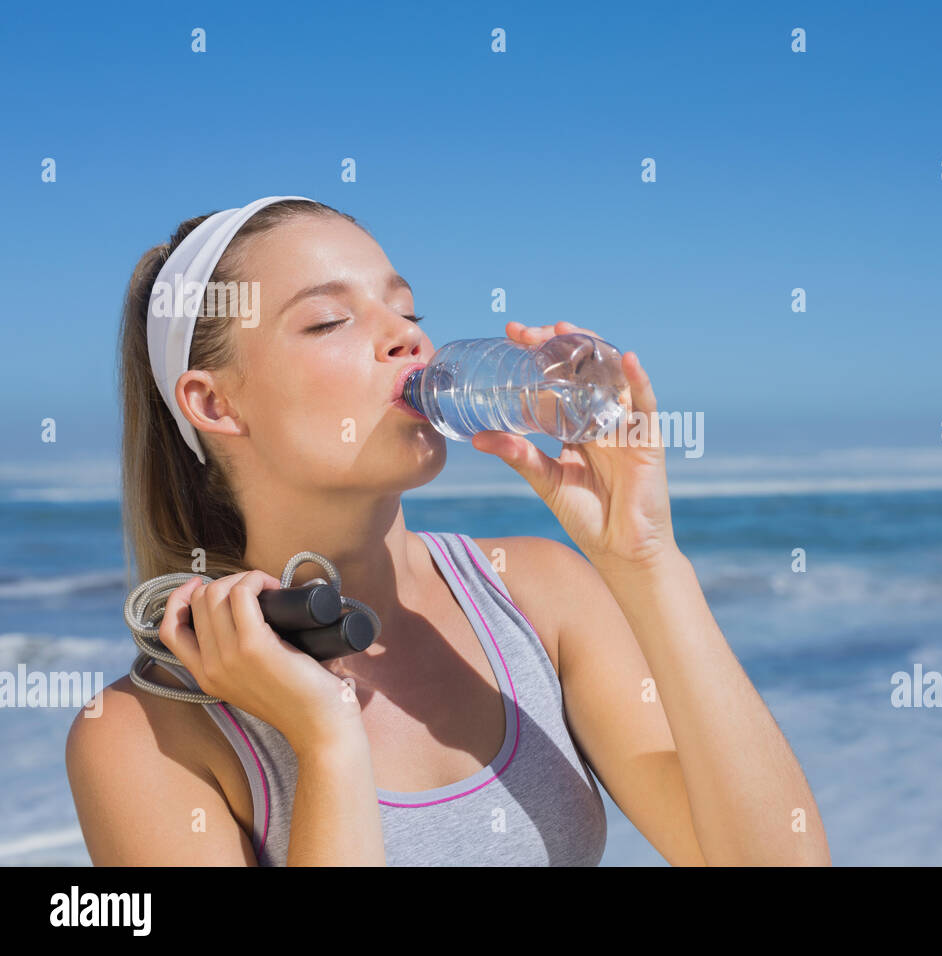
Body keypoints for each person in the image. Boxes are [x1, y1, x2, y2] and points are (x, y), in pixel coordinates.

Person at [65, 196, 831, 866]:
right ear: (214, 405)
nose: (408, 340)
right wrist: (328, 744)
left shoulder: (537, 595)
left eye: (407, 311)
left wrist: (646, 561)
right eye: (331, 319)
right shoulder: (145, 734)